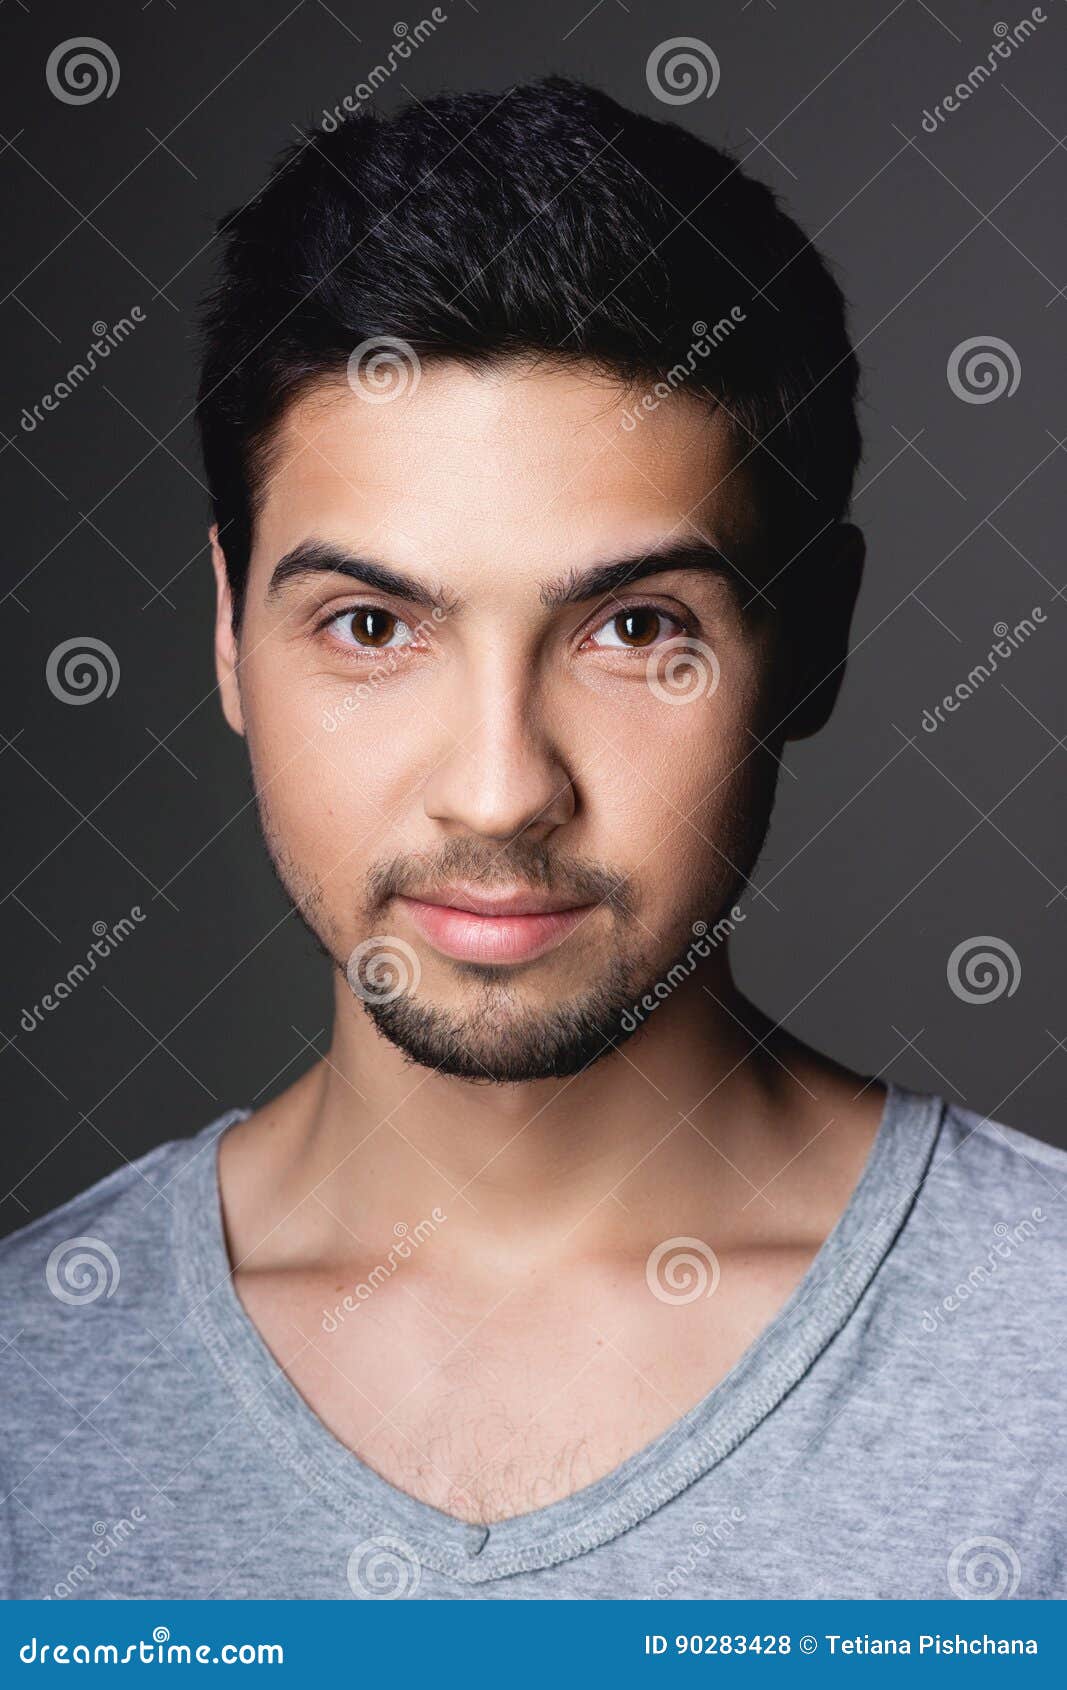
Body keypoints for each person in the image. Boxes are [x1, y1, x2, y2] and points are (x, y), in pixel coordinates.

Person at [1, 77, 1063, 1603]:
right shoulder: (32, 1402)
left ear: (811, 637)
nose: (501, 791)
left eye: (635, 628)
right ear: (230, 632)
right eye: (373, 625)